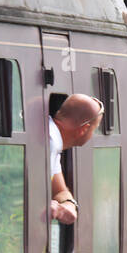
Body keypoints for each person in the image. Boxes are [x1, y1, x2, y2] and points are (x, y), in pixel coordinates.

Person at [48, 94, 104, 225]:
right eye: (94, 129)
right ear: (84, 129)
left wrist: (68, 205)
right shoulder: (49, 141)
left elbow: (60, 191)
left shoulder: (54, 142)